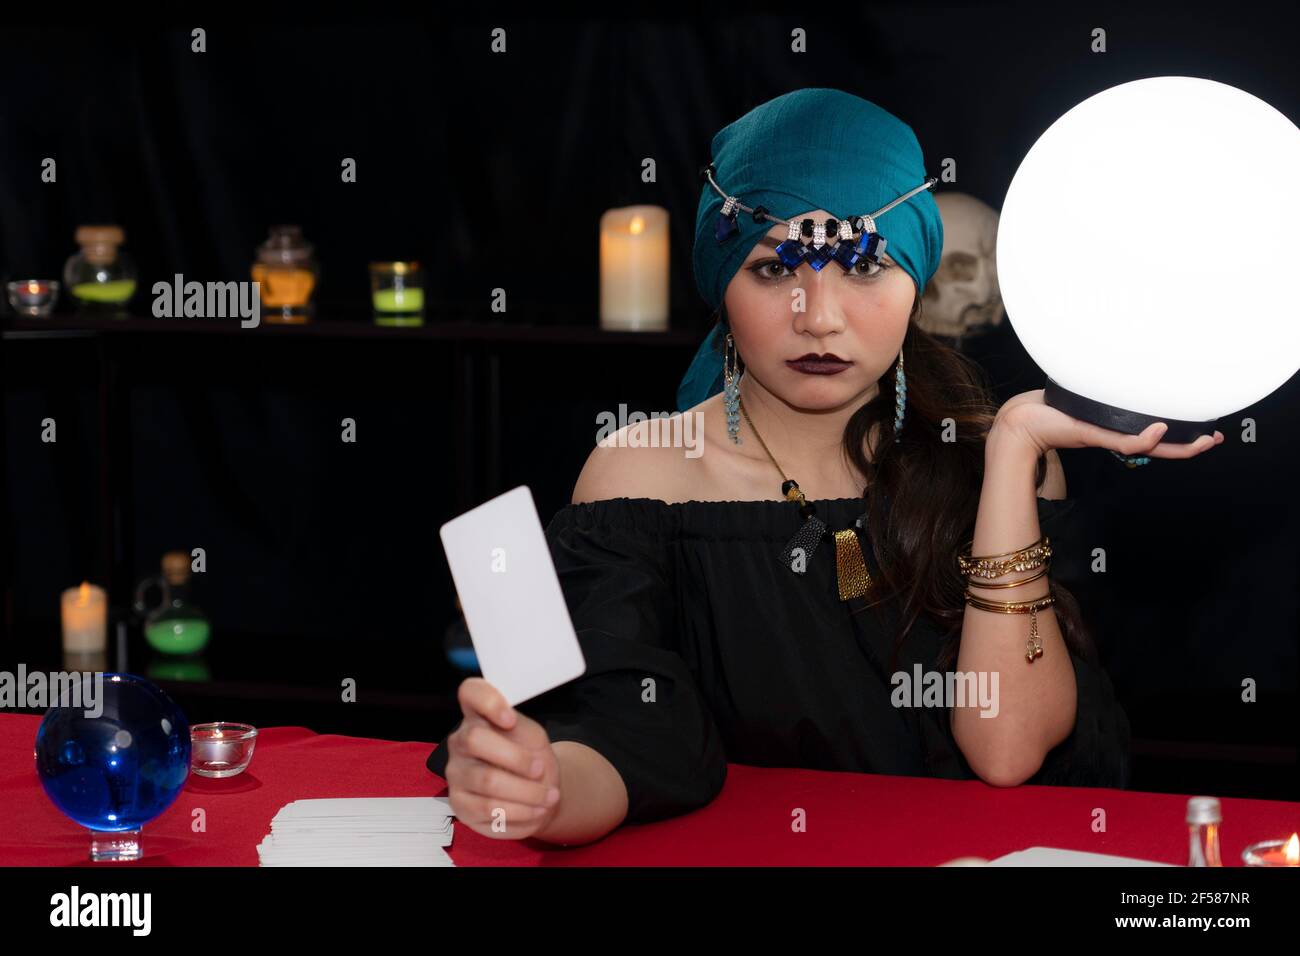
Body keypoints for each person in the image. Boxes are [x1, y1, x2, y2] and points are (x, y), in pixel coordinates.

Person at [425, 88, 1223, 846]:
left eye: (864, 264)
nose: (819, 317)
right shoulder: (643, 474)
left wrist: (1013, 449)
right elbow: (620, 734)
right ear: (721, 285)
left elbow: (1008, 753)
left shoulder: (999, 461)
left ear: (916, 278)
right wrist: (542, 785)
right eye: (774, 268)